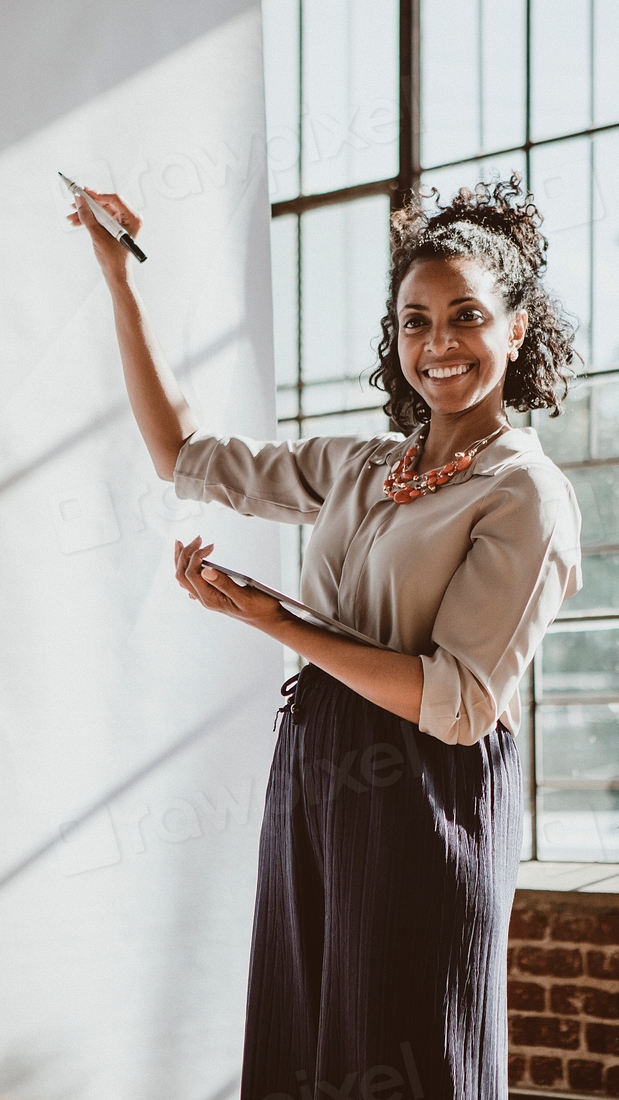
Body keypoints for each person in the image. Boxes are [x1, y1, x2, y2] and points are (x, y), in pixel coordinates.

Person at [69, 172, 582, 1100]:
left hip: (428, 793)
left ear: (515, 327)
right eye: (414, 321)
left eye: (465, 316)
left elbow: (459, 705)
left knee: (407, 1048)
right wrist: (121, 278)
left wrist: (278, 622)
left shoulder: (524, 492)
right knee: (304, 1038)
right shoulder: (366, 465)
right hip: (316, 763)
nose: (437, 345)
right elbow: (184, 456)